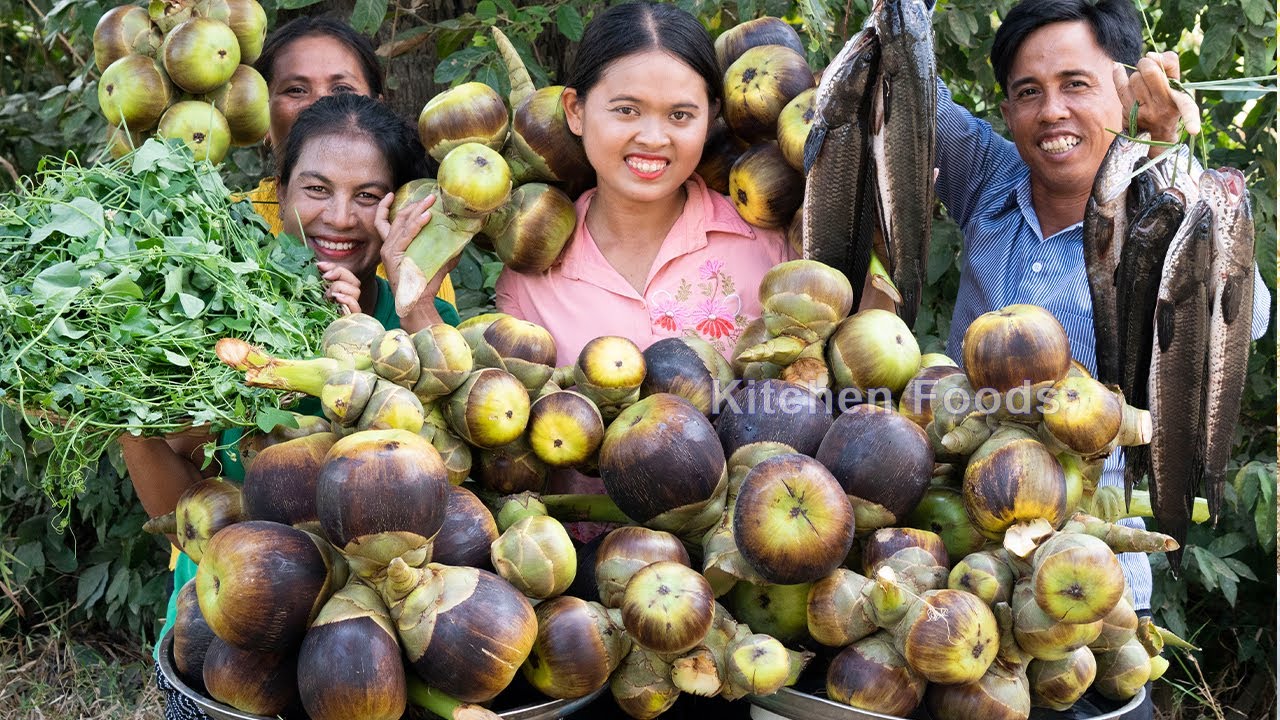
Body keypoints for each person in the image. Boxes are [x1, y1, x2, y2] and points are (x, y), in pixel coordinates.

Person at [935, 1, 1271, 717]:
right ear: (1006, 107)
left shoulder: (1160, 208)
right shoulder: (987, 184)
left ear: (1129, 88)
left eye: (1075, 84)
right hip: (955, 572)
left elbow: (1247, 318)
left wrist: (1168, 150)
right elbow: (903, 89)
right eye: (1029, 92)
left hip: (1091, 600)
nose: (1051, 111)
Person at [131, 93, 455, 720]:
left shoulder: (425, 323)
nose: (339, 217)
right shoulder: (225, 312)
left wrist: (364, 347)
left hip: (370, 659)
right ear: (279, 193)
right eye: (316, 189)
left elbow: (448, 477)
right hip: (228, 642)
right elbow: (179, 505)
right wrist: (126, 425)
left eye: (368, 197)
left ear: (396, 207)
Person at [494, 1, 794, 368]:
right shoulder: (530, 277)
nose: (654, 138)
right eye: (626, 110)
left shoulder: (772, 248)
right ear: (576, 110)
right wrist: (421, 309)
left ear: (711, 118)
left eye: (680, 115)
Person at [243, 14, 456, 307]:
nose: (320, 104)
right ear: (260, 111)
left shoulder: (414, 244)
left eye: (342, 91)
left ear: (373, 110)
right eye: (296, 90)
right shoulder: (224, 221)